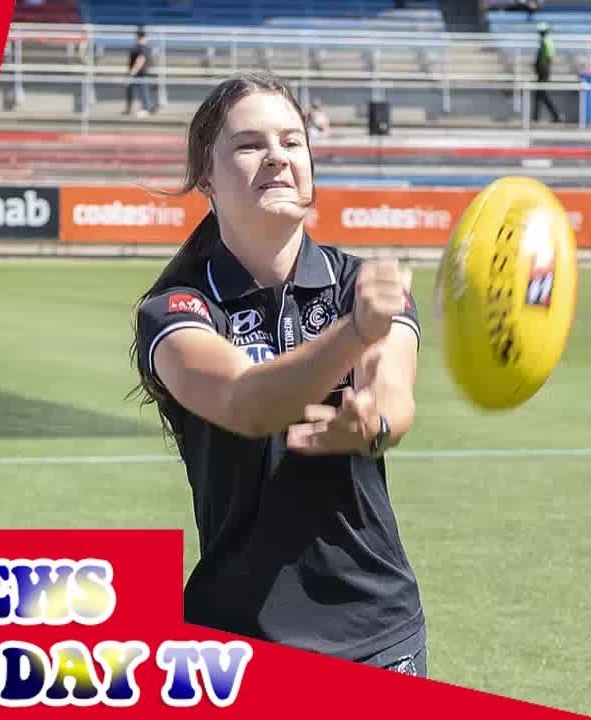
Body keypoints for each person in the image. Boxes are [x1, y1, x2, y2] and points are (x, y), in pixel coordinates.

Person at [128, 70, 428, 677]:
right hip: (236, 641)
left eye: (292, 142)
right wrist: (354, 332)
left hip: (377, 630)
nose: (277, 158)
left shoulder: (361, 283)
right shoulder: (176, 309)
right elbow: (246, 402)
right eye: (249, 144)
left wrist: (372, 422)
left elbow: (394, 397)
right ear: (206, 176)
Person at [532, 22, 562, 123]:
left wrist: (541, 67)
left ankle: (555, 116)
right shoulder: (545, 41)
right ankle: (536, 117)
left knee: (542, 95)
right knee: (540, 95)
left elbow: (548, 57)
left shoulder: (546, 42)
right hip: (542, 71)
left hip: (543, 72)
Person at [124, 28, 155, 116]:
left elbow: (140, 60)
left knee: (143, 91)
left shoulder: (142, 47)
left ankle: (146, 108)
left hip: (140, 73)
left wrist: (131, 74)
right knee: (132, 90)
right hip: (140, 72)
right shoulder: (144, 47)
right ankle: (130, 108)